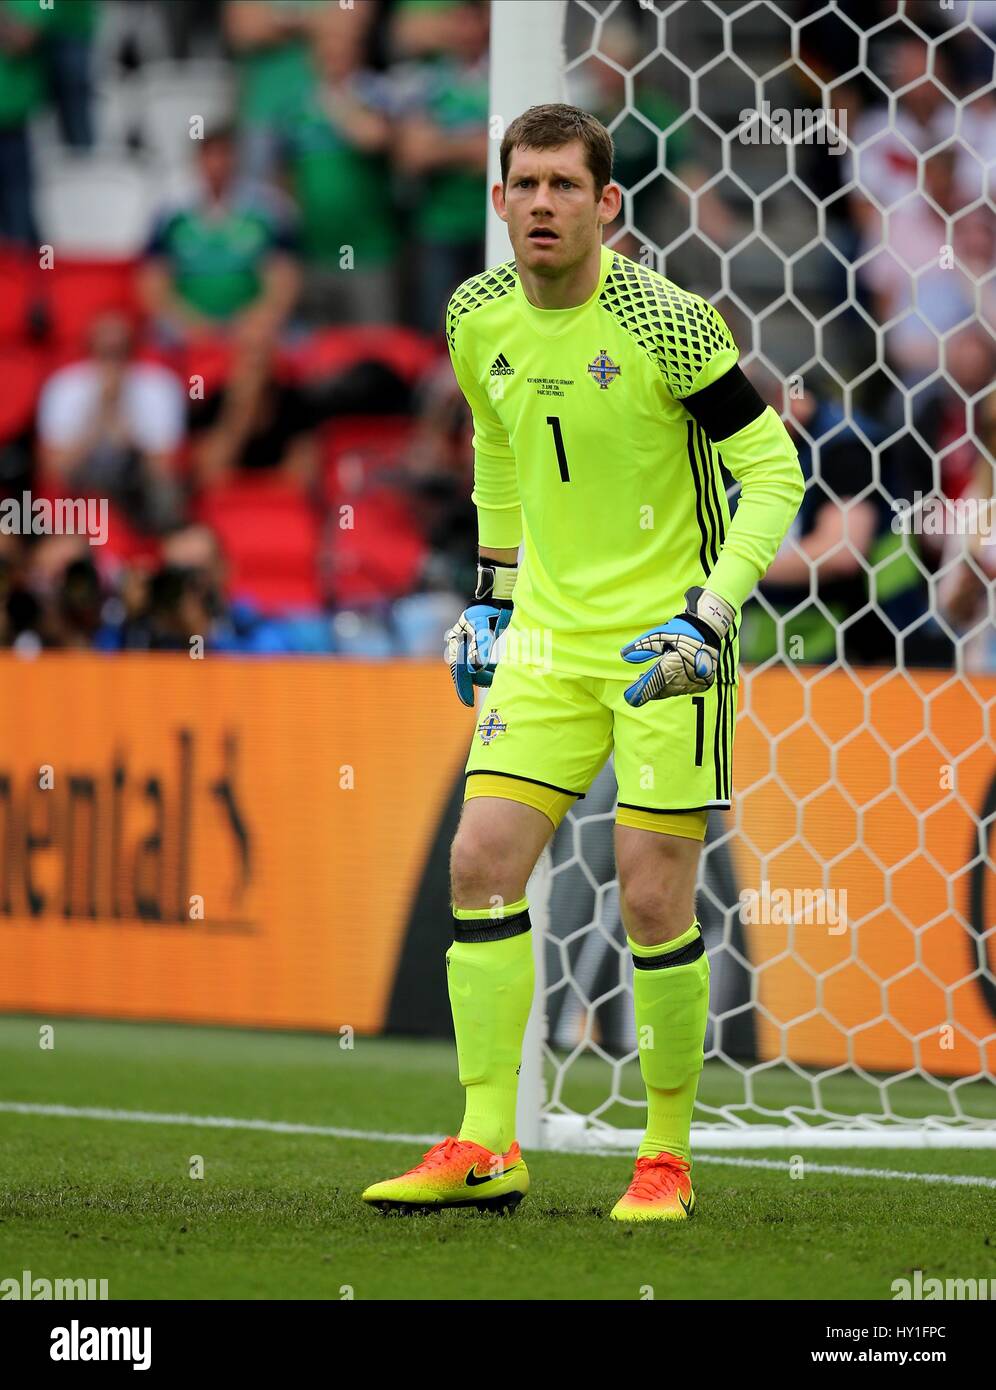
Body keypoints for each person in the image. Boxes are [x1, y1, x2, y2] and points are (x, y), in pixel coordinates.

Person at [361, 104, 804, 1222]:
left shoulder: (667, 322)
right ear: (500, 199)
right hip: (547, 643)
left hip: (670, 644)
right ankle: (484, 1141)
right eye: (527, 184)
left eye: (567, 184)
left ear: (607, 204)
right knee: (481, 863)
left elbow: (775, 472)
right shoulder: (476, 317)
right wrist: (491, 602)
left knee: (653, 895)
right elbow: (500, 463)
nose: (544, 202)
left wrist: (709, 619)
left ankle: (664, 1157)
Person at [138, 124, 300, 343]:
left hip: (252, 328)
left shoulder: (268, 210)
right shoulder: (171, 213)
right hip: (186, 328)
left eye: (225, 155)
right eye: (210, 156)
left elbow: (283, 280)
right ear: (198, 161)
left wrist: (255, 321)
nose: (217, 165)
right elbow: (153, 283)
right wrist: (192, 326)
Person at [36, 311, 186, 534]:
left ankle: (163, 546)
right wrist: (99, 417)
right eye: (106, 352)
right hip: (82, 480)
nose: (112, 362)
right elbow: (54, 470)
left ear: (133, 349)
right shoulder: (64, 386)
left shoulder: (160, 386)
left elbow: (164, 470)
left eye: (119, 351)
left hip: (137, 487)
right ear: (90, 348)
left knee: (167, 493)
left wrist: (126, 428)